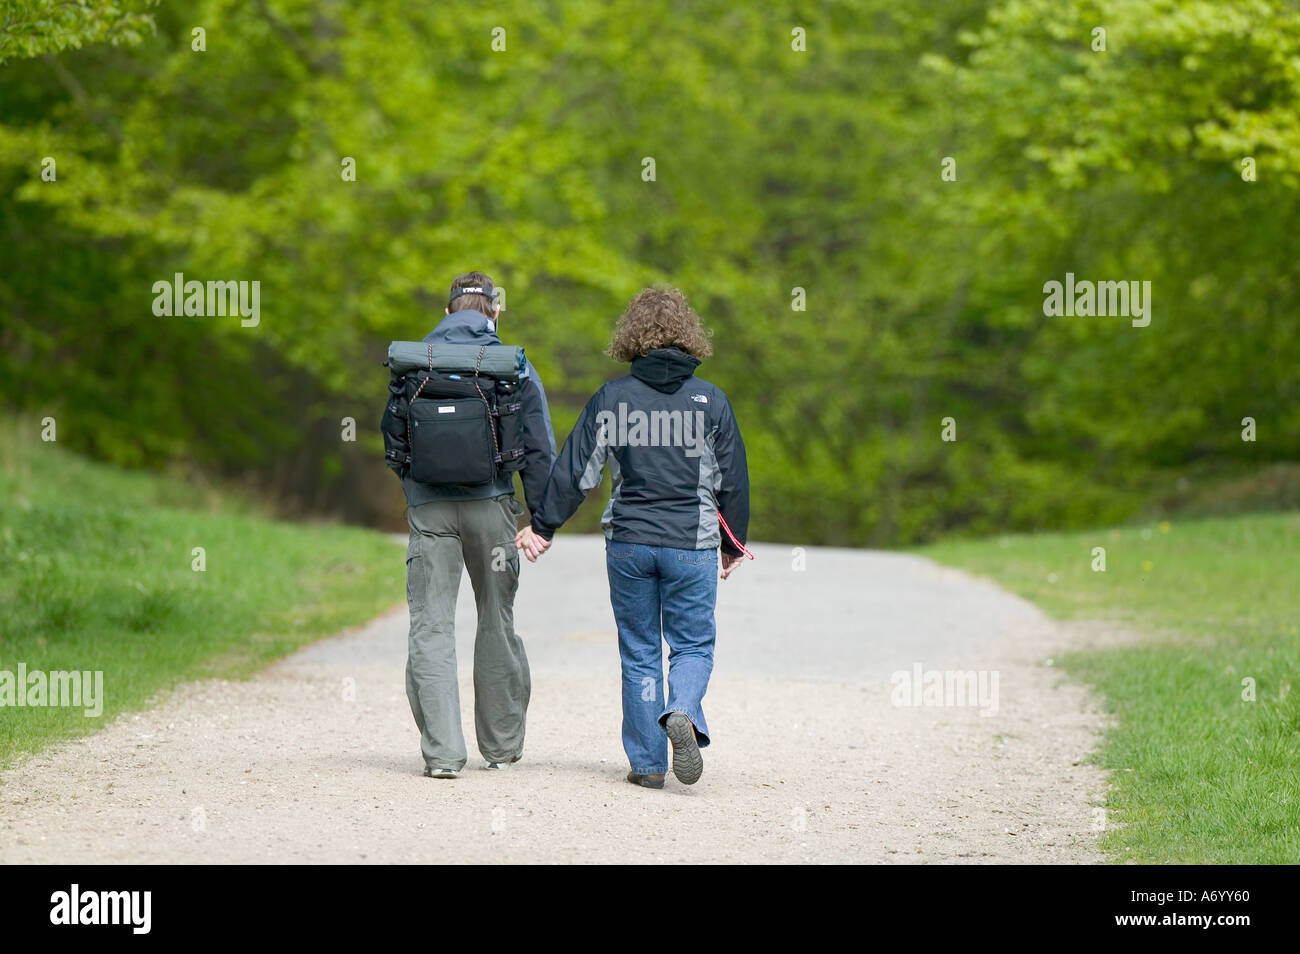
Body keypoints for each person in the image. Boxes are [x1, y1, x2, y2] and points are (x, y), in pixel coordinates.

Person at [515, 286, 750, 789]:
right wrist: (733, 544)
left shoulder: (613, 397)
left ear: (631, 337)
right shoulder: (712, 402)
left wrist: (543, 525)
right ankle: (682, 710)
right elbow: (733, 480)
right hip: (692, 544)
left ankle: (647, 765)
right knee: (691, 646)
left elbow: (577, 471)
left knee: (639, 648)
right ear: (690, 337)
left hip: (629, 544)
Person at [381, 271, 556, 779]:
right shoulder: (512, 365)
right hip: (494, 511)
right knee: (496, 620)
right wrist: (542, 521)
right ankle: (499, 748)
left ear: (446, 311)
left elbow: (393, 439)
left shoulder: (414, 362)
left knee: (431, 625)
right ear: (495, 312)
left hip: (429, 511)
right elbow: (540, 448)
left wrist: (415, 489)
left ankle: (442, 755)